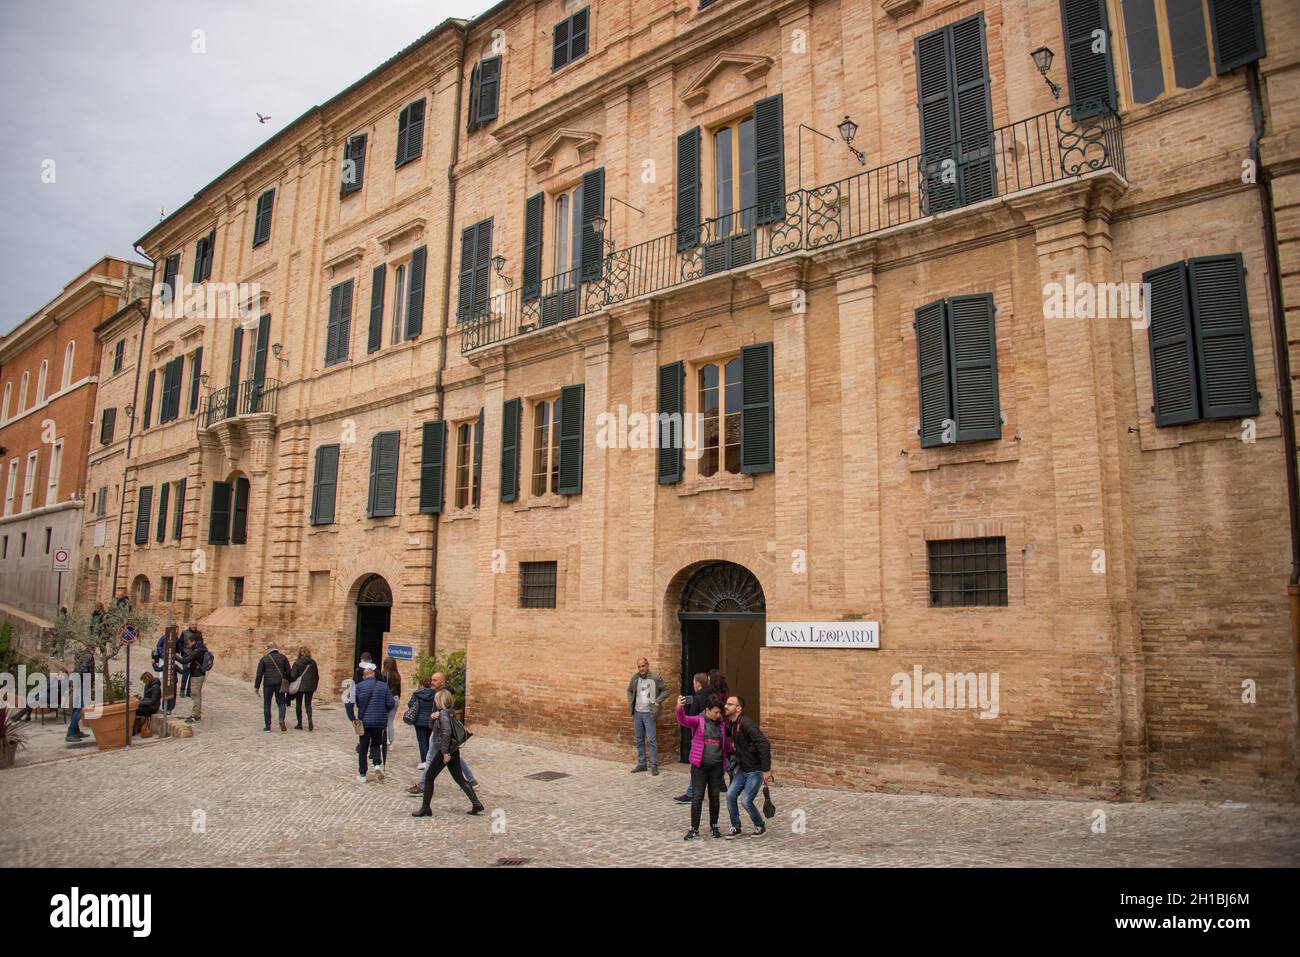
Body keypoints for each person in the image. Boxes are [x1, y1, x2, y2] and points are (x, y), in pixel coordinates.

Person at [412, 689, 484, 818]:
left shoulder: (444, 714)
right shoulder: (447, 713)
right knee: (459, 779)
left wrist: (445, 753)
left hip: (445, 751)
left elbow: (446, 733)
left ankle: (425, 808)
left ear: (440, 701)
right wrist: (432, 718)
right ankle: (476, 803)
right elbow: (432, 728)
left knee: (429, 777)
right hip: (453, 751)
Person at [406, 672, 478, 794]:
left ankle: (423, 786)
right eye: (432, 679)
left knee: (430, 758)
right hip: (439, 729)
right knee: (455, 757)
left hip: (442, 731)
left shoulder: (445, 694)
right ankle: (471, 780)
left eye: (435, 680)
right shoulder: (435, 693)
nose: (432, 682)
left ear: (442, 682)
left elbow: (450, 711)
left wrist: (441, 714)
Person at [675, 692, 732, 840]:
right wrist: (679, 708)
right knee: (697, 797)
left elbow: (724, 744)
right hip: (700, 767)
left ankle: (714, 826)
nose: (718, 715)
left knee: (714, 797)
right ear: (707, 709)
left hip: (716, 767)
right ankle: (694, 828)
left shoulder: (721, 724)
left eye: (720, 712)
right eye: (715, 712)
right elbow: (683, 720)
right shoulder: (698, 721)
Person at [723, 695, 772, 839]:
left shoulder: (746, 723)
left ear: (738, 708)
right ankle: (736, 827)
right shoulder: (732, 724)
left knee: (745, 800)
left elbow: (763, 743)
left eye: (730, 704)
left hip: (755, 771)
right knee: (730, 795)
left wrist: (766, 769)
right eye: (726, 703)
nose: (726, 706)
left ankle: (760, 825)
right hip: (743, 770)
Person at [346, 660, 394, 783]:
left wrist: (353, 718)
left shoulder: (359, 687)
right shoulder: (383, 686)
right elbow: (391, 703)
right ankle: (377, 764)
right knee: (376, 744)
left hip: (365, 721)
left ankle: (362, 774)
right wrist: (383, 710)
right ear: (373, 674)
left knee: (363, 748)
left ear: (364, 676)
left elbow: (349, 703)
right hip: (379, 721)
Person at [627, 657, 670, 775]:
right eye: (639, 666)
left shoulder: (655, 678)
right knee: (640, 740)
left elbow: (667, 690)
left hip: (649, 714)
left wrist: (658, 701)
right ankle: (641, 764)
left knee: (651, 740)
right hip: (637, 713)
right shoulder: (635, 678)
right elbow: (629, 690)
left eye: (643, 666)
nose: (641, 668)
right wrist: (631, 702)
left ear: (647, 665)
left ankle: (654, 765)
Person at [673, 672, 711, 804]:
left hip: (700, 738)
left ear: (698, 684)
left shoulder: (697, 698)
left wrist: (681, 708)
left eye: (694, 683)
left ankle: (691, 793)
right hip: (713, 738)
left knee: (696, 765)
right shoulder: (714, 696)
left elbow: (689, 719)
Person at [253, 643, 292, 732]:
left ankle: (267, 726)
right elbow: (289, 671)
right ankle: (281, 719)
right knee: (281, 703)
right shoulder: (283, 658)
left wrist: (256, 687)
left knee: (267, 704)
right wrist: (288, 682)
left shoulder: (264, 659)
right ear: (276, 649)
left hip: (268, 685)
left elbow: (259, 674)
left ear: (268, 650)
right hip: (280, 684)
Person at [66, 645, 94, 741]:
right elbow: (82, 669)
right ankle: (70, 733)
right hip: (83, 686)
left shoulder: (83, 655)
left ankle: (76, 731)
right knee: (79, 709)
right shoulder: (88, 656)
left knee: (76, 708)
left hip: (80, 685)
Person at [408, 676, 438, 768]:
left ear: (421, 684)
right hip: (430, 719)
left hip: (419, 720)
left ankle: (425, 761)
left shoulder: (417, 693)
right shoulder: (435, 694)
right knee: (427, 739)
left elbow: (410, 704)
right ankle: (429, 759)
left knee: (422, 741)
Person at [183, 629, 209, 722]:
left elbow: (185, 661)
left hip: (197, 675)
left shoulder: (197, 650)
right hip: (200, 674)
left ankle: (195, 715)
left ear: (193, 641)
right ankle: (197, 714)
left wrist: (174, 656)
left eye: (189, 643)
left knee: (195, 695)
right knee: (198, 695)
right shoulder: (202, 648)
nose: (188, 645)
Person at [289, 647, 318, 730]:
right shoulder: (313, 663)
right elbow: (316, 676)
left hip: (300, 687)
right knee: (308, 704)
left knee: (298, 705)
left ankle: (299, 723)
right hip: (310, 686)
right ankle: (309, 719)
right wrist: (315, 685)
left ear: (300, 653)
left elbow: (293, 675)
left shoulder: (297, 663)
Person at [379, 657, 401, 763]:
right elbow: (399, 690)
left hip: (387, 698)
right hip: (396, 698)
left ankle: (384, 741)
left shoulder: (384, 674)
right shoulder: (397, 676)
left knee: (385, 721)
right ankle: (391, 742)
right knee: (391, 721)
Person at [133, 672, 161, 736]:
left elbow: (153, 701)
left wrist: (139, 704)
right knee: (133, 710)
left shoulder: (155, 687)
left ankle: (133, 731)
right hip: (147, 705)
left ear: (147, 679)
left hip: (152, 707)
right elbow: (146, 697)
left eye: (144, 681)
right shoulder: (147, 686)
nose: (144, 683)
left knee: (135, 711)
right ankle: (134, 730)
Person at [177, 621, 201, 696]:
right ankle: (182, 690)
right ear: (189, 625)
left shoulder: (199, 633)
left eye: (195, 624)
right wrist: (183, 651)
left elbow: (201, 643)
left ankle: (189, 691)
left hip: (195, 656)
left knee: (192, 674)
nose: (194, 626)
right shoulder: (184, 633)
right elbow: (179, 643)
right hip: (186, 655)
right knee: (185, 672)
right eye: (193, 624)